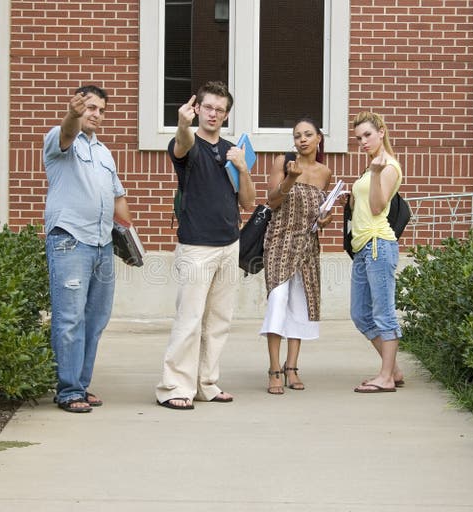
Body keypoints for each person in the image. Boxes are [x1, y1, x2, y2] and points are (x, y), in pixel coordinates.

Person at [155, 81, 256, 410]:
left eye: (220, 110)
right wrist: (182, 124)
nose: (214, 113)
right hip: (196, 247)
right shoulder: (186, 143)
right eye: (208, 107)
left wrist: (243, 168)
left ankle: (205, 383)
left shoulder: (232, 150)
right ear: (197, 108)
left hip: (229, 244)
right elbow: (182, 144)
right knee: (189, 320)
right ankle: (173, 387)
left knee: (218, 321)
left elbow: (248, 202)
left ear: (226, 115)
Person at [43, 85, 133, 412]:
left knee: (95, 319)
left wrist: (131, 239)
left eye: (100, 110)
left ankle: (81, 385)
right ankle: (68, 391)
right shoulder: (59, 138)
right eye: (89, 107)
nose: (95, 114)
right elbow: (68, 131)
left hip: (102, 245)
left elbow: (117, 197)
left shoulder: (105, 154)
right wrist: (72, 115)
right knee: (69, 318)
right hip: (70, 240)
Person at [260, 118, 333, 394]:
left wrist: (324, 220)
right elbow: (273, 201)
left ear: (318, 139)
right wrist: (290, 178)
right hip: (280, 241)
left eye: (307, 134)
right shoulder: (284, 162)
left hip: (307, 246)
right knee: (278, 301)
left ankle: (292, 367)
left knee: (300, 305)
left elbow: (317, 212)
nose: (302, 139)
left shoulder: (325, 173)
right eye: (297, 135)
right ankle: (274, 368)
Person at [348, 111, 405, 393]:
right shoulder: (373, 166)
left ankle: (385, 378)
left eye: (368, 135)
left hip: (377, 245)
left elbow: (376, 207)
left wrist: (376, 173)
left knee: (383, 314)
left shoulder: (388, 166)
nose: (363, 142)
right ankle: (392, 369)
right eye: (359, 138)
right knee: (360, 314)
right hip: (362, 248)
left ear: (381, 131)